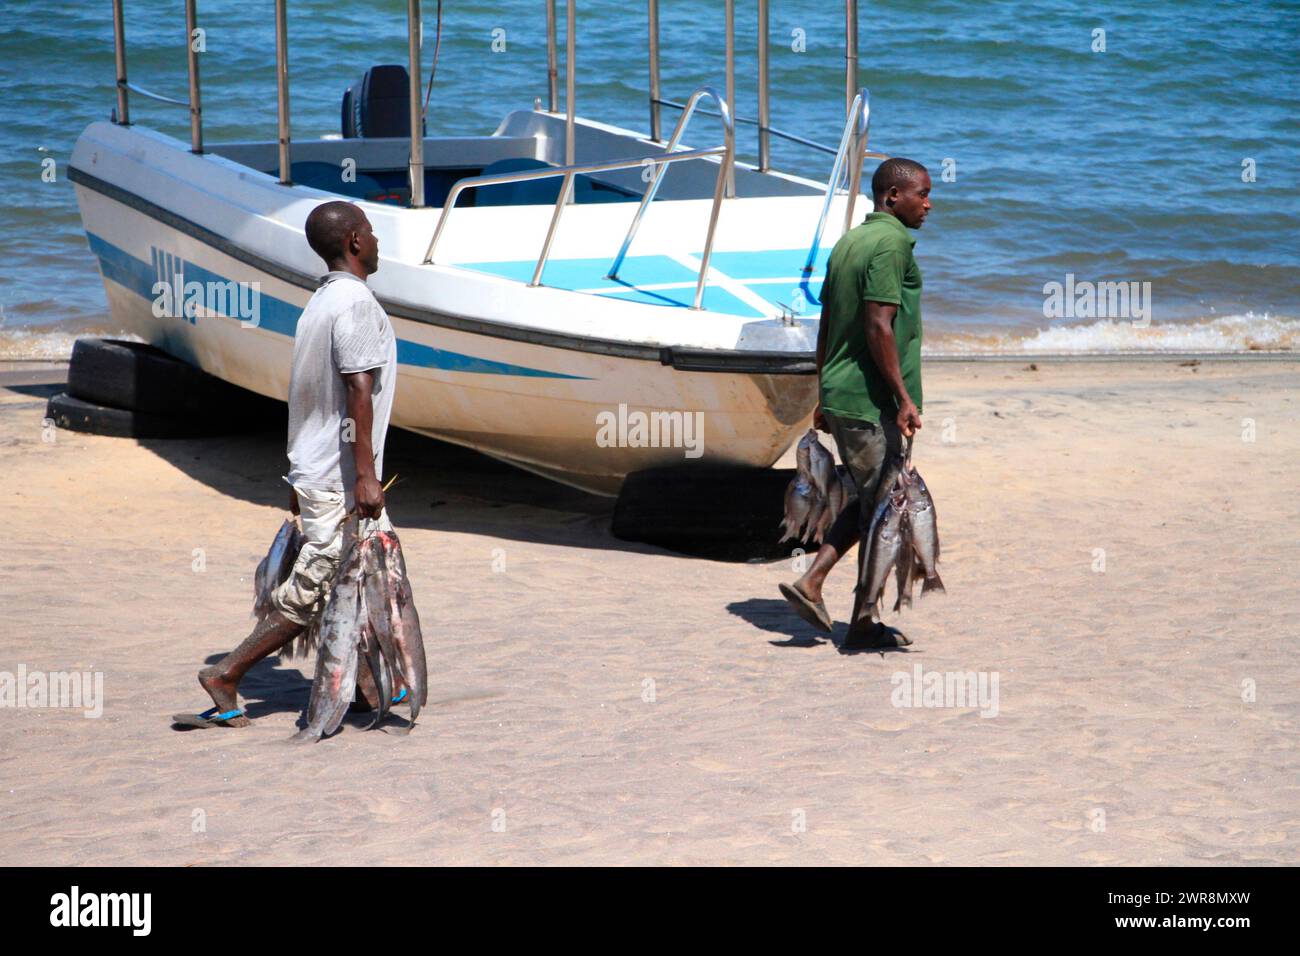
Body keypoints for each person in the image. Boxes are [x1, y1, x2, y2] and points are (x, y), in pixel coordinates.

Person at [183, 200, 398, 727]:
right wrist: (366, 476)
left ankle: (367, 688)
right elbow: (357, 390)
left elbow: (306, 397)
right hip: (340, 477)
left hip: (317, 471)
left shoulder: (318, 305)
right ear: (352, 242)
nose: (376, 241)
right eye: (370, 232)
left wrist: (299, 477)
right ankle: (227, 675)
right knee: (317, 583)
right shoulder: (354, 303)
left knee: (366, 573)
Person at [779, 158, 931, 650]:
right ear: (892, 197)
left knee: (873, 502)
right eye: (921, 194)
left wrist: (823, 394)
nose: (929, 204)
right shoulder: (890, 244)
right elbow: (876, 325)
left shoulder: (849, 242)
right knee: (888, 511)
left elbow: (826, 326)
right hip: (871, 402)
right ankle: (859, 620)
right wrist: (904, 399)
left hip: (844, 395)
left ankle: (815, 582)